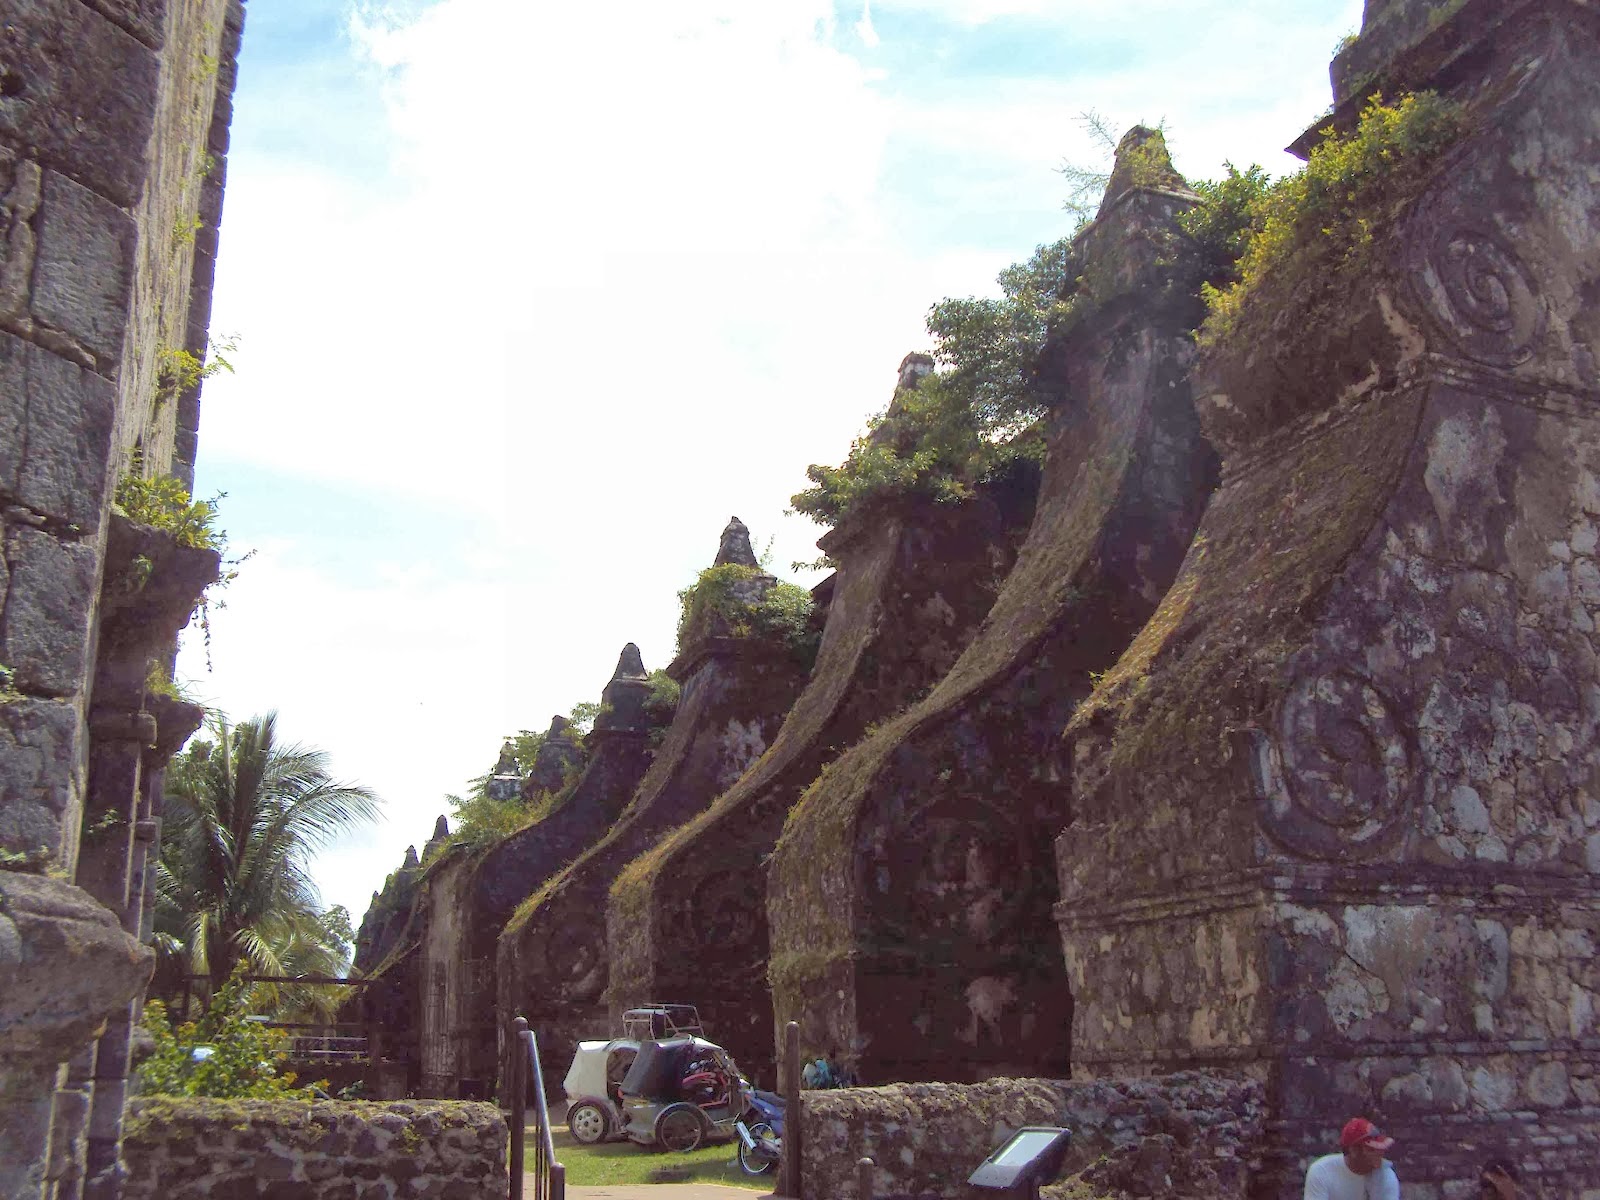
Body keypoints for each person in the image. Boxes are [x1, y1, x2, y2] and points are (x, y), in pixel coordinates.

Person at [1304, 1118, 1400, 1199]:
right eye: (1371, 1149)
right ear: (1354, 1150)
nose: (1380, 1154)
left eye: (1381, 1148)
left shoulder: (1386, 1176)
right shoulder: (1322, 1171)